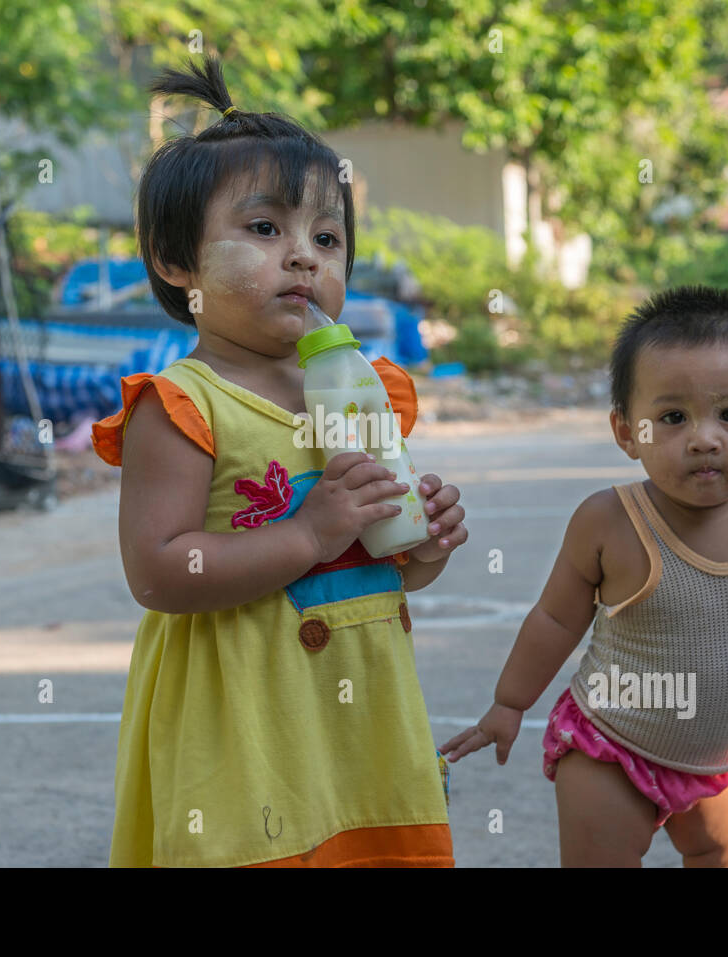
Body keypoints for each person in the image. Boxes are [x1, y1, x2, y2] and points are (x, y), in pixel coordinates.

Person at [91, 55, 468, 867]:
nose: (304, 257)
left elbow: (382, 566)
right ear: (175, 261)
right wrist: (308, 531)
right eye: (265, 230)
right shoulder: (184, 405)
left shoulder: (360, 390)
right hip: (250, 731)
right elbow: (158, 571)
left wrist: (422, 543)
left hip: (362, 723)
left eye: (326, 238)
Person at [439, 285, 728, 867]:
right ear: (627, 431)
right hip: (610, 747)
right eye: (672, 417)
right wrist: (510, 704)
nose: (704, 437)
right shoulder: (609, 521)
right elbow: (555, 619)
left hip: (721, 760)